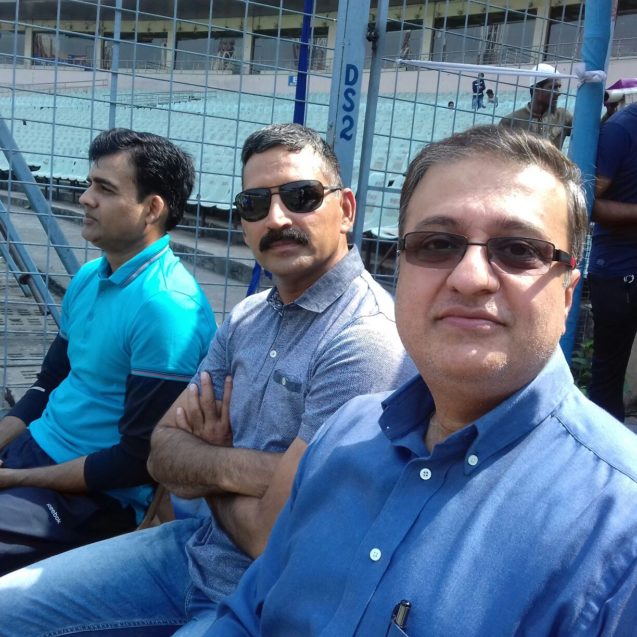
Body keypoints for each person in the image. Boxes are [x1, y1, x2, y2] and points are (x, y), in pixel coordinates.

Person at [207, 126, 637, 636]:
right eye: (437, 244)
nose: (471, 277)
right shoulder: (344, 432)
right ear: (401, 274)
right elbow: (249, 614)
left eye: (519, 249)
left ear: (568, 294)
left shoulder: (620, 530)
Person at [0, 123, 415, 635]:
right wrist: (264, 473)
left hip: (265, 593)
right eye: (254, 203)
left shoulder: (365, 339)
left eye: (301, 196)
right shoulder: (247, 317)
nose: (277, 218)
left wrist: (206, 471)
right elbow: (161, 453)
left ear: (346, 208)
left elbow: (268, 537)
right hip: (186, 553)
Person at [0, 128, 216, 575]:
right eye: (88, 183)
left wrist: (15, 478)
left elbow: (135, 464)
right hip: (33, 457)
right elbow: (47, 383)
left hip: (91, 498)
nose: (84, 198)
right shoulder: (90, 277)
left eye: (104, 188)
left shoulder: (167, 310)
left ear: (151, 208)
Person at [588, 103, 637, 422]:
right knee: (608, 377)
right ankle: (604, 460)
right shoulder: (621, 130)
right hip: (620, 274)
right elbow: (588, 202)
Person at [499, 63, 573, 150]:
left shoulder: (564, 117)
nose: (558, 92)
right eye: (553, 87)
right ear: (537, 89)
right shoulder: (510, 122)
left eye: (559, 87)